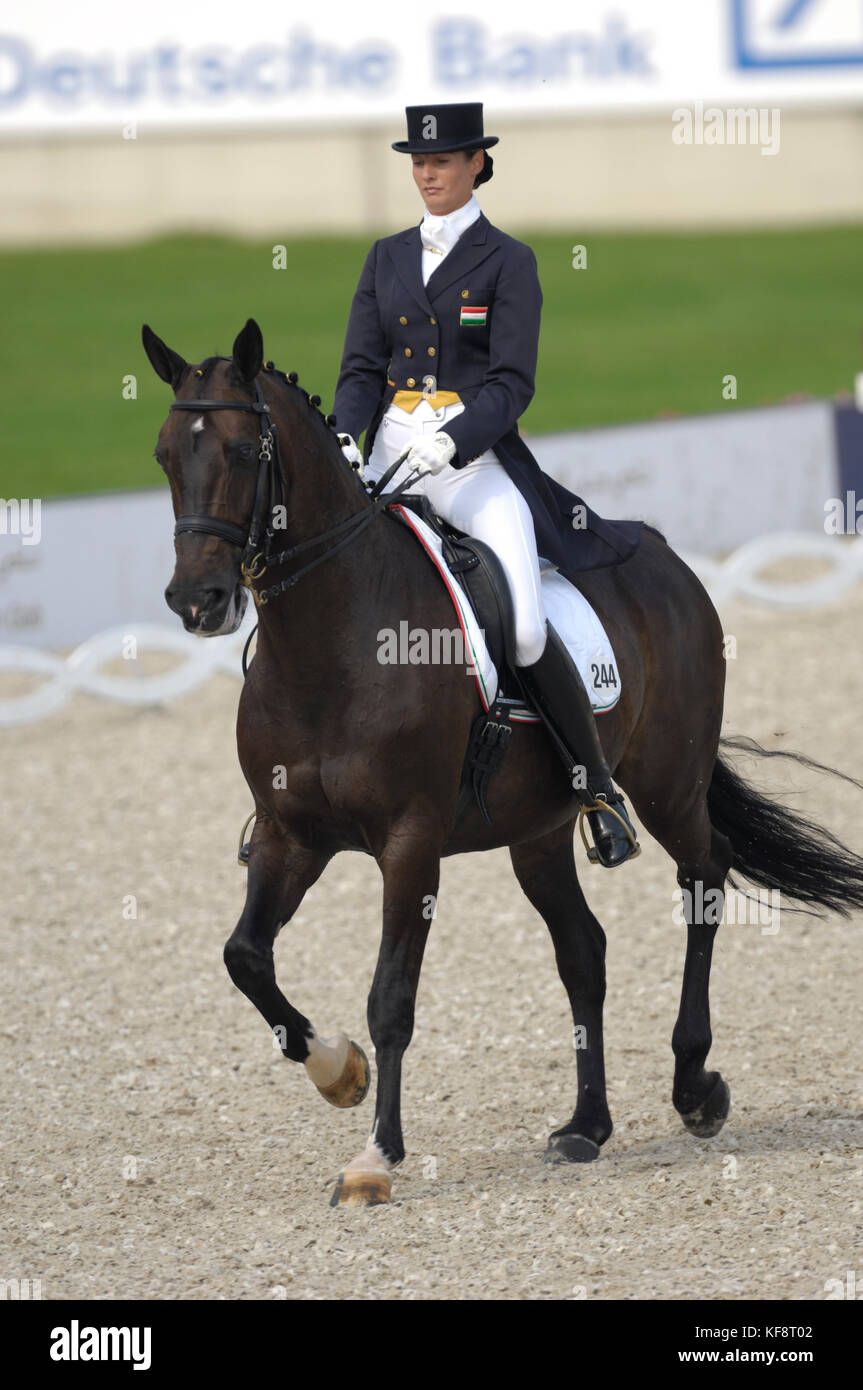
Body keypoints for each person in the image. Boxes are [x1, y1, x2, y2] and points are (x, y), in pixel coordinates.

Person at [332, 102, 641, 867]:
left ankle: (594, 785)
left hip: (470, 463)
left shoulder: (509, 261)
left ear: (475, 163)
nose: (427, 173)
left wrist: (455, 437)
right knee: (319, 584)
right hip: (391, 456)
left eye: (441, 161)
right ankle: (294, 788)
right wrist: (346, 430)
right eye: (417, 162)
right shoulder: (386, 256)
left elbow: (512, 382)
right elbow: (362, 368)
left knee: (527, 627)